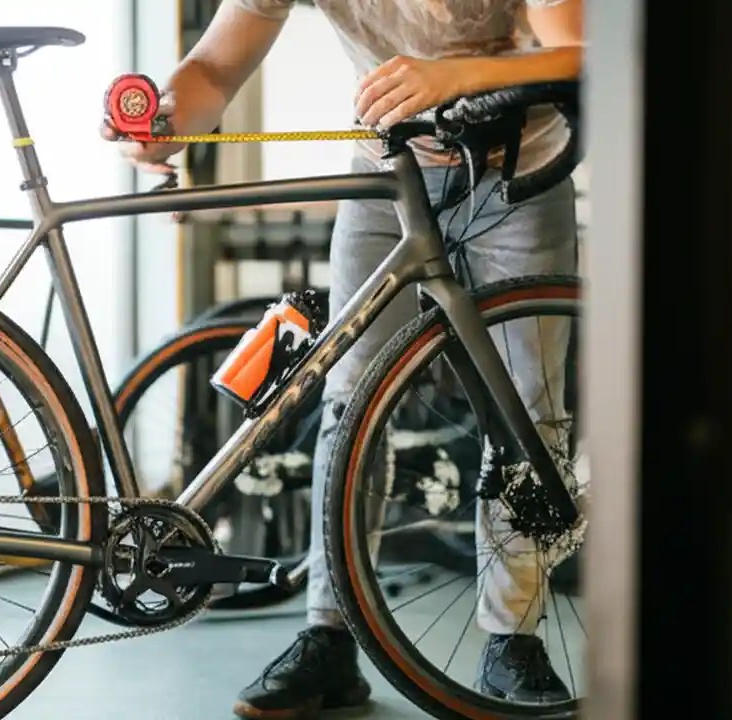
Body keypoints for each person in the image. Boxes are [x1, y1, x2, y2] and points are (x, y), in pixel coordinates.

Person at [103, 1, 584, 717]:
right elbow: (213, 67)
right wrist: (164, 122)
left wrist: (457, 75)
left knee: (526, 412)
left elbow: (582, 50)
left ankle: (512, 638)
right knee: (349, 402)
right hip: (389, 175)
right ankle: (328, 636)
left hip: (520, 171)